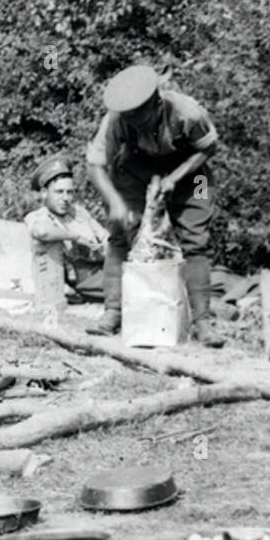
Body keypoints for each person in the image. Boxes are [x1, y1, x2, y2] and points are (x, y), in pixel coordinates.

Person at [84, 64, 224, 346]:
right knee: (121, 234)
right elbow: (95, 164)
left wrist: (175, 178)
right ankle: (113, 311)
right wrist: (115, 203)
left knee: (196, 239)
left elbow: (209, 148)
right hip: (135, 171)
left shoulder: (188, 112)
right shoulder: (117, 120)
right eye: (129, 118)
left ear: (156, 104)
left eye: (140, 117)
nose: (135, 123)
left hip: (191, 174)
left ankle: (202, 323)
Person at [24, 153, 108, 301]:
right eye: (59, 192)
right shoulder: (40, 216)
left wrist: (107, 244)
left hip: (104, 269)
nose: (65, 198)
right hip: (83, 280)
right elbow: (42, 232)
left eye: (70, 192)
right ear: (44, 193)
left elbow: (103, 235)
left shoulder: (78, 212)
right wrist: (75, 237)